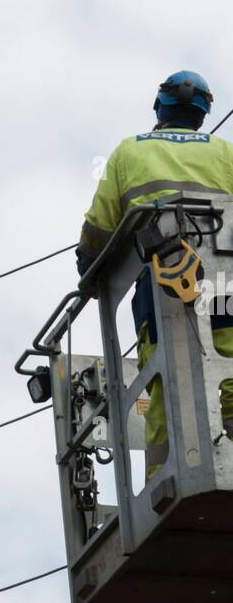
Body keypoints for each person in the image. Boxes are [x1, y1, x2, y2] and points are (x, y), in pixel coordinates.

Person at [76, 71, 233, 475]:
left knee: (167, 385)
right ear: (203, 113)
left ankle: (165, 482)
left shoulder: (129, 152)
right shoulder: (224, 151)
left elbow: (98, 230)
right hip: (225, 285)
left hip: (159, 288)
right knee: (230, 371)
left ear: (159, 107)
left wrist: (88, 270)